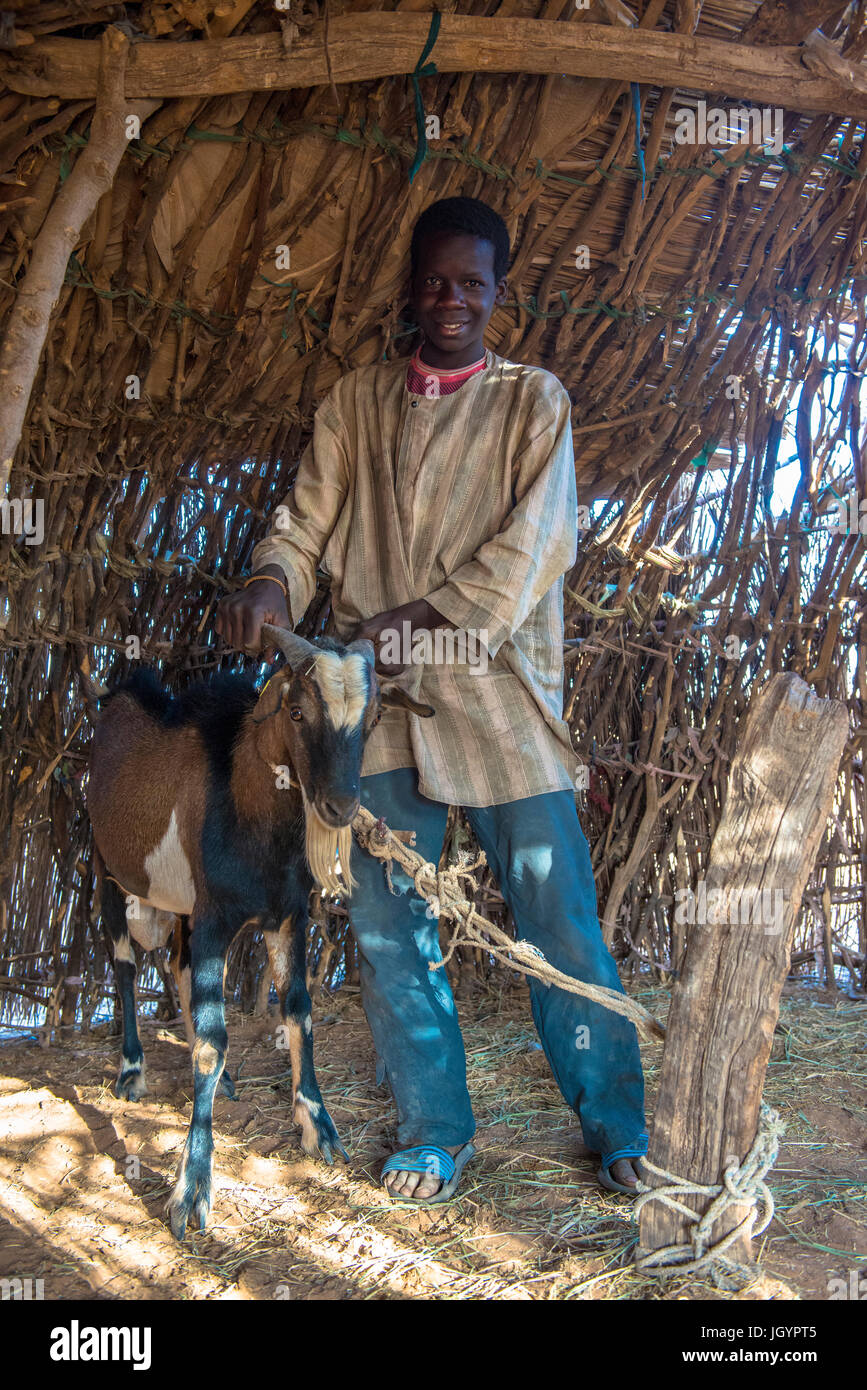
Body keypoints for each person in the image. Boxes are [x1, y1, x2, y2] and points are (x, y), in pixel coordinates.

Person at [216, 196, 647, 1203]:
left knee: (560, 923)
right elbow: (303, 520)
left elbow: (537, 549)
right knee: (387, 922)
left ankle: (618, 1123)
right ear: (412, 287)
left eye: (473, 283)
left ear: (499, 294)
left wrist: (419, 616)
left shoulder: (532, 401)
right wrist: (274, 576)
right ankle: (434, 1132)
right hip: (379, 706)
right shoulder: (358, 400)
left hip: (503, 703)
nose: (451, 299)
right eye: (436, 280)